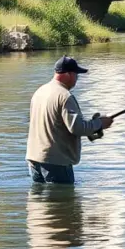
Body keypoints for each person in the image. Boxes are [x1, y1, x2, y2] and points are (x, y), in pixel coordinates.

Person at [25, 56, 113, 185]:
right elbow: (77, 128)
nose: (77, 78)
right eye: (76, 74)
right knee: (62, 204)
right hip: (55, 161)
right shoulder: (65, 96)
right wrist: (100, 123)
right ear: (68, 74)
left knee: (38, 203)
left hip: (34, 158)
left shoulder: (40, 91)